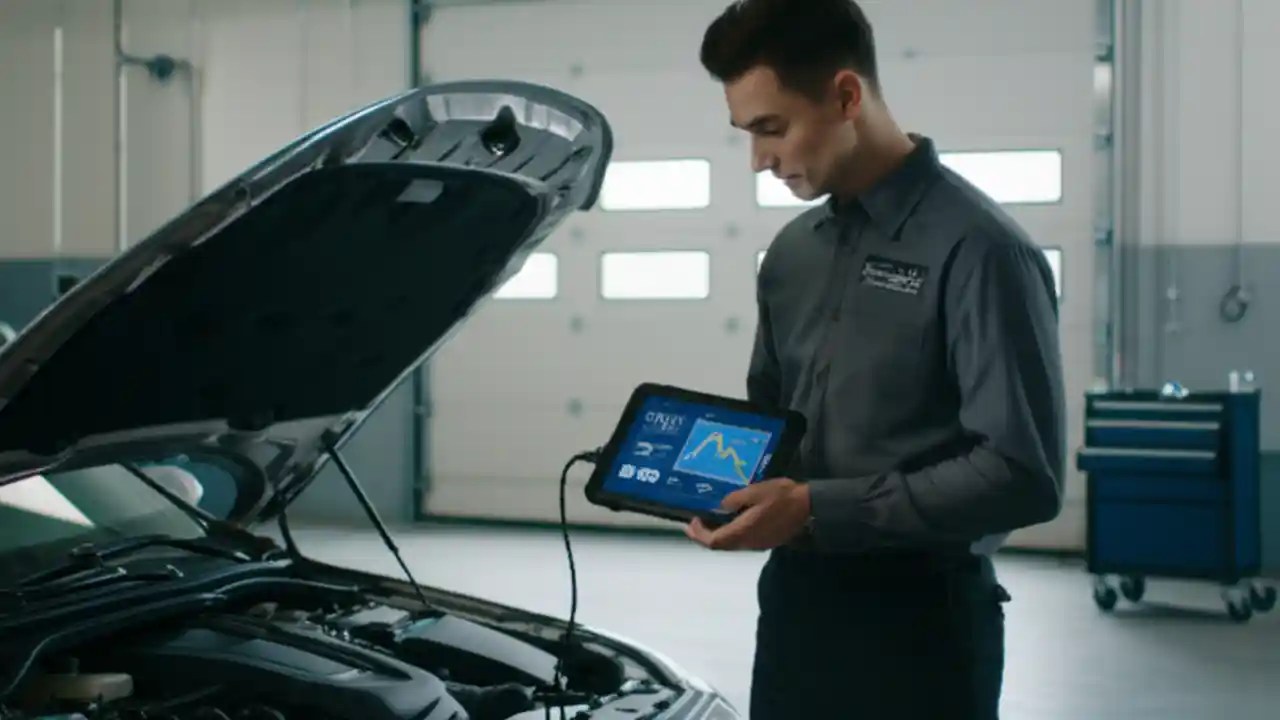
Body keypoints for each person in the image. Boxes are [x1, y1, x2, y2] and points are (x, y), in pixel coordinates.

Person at [684, 1, 1066, 718]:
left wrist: (814, 508)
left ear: (846, 97)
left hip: (922, 630)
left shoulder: (982, 251)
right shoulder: (791, 255)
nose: (759, 160)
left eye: (772, 129)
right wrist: (700, 480)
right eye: (747, 134)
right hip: (795, 611)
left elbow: (1021, 475)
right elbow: (774, 425)